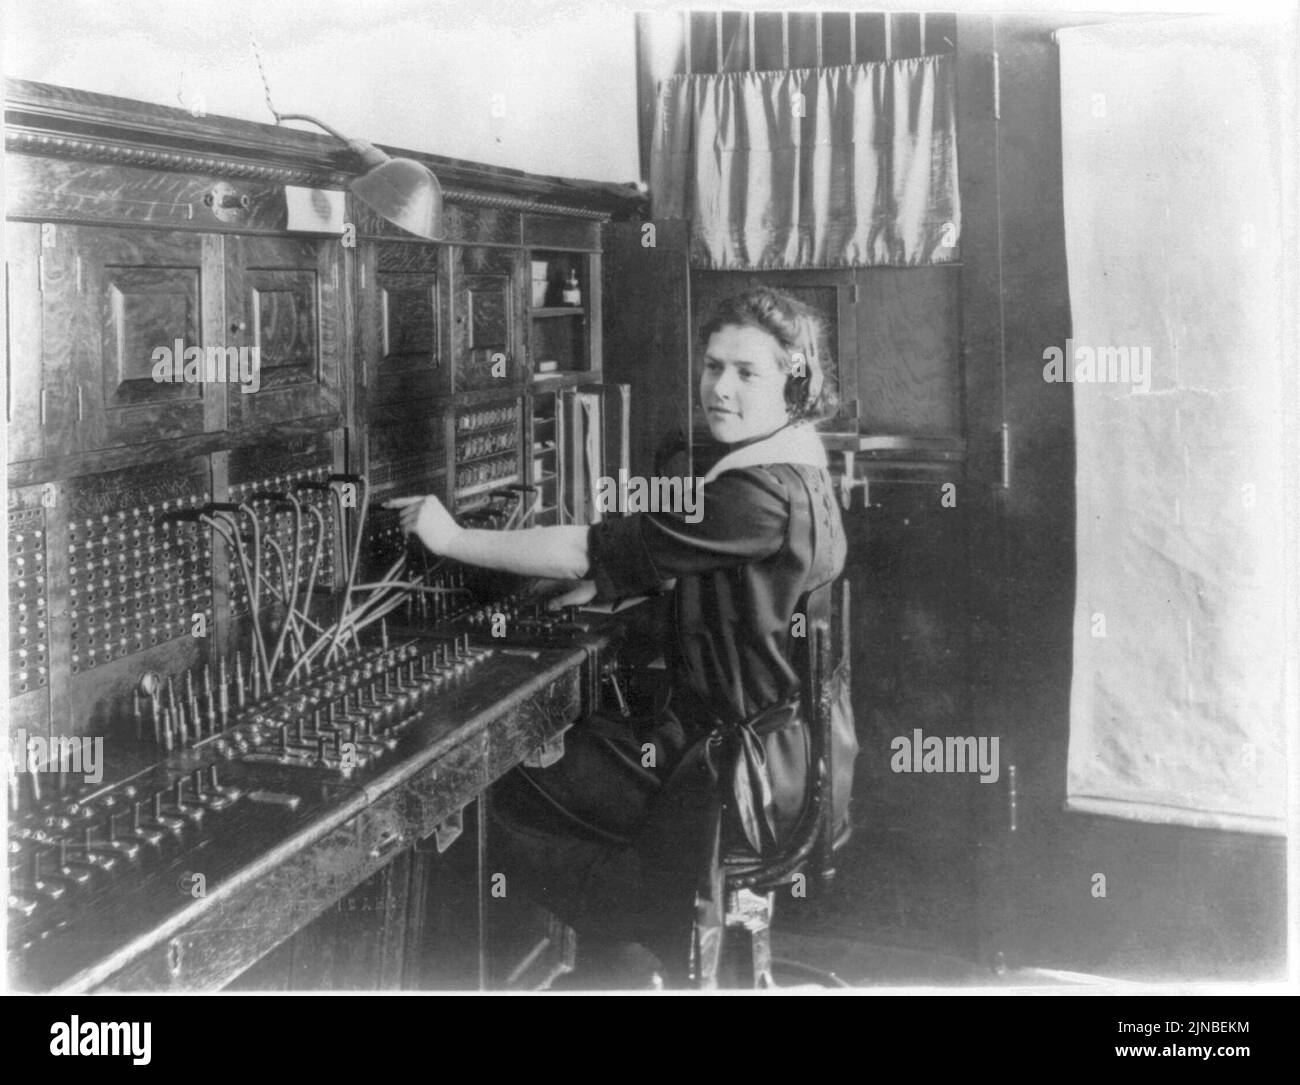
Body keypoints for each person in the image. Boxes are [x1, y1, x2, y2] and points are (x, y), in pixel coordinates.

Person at [389, 287, 852, 987]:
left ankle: (647, 944)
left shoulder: (752, 492)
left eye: (745, 372)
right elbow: (722, 587)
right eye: (711, 366)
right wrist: (616, 584)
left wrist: (451, 537)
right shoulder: (799, 471)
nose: (719, 389)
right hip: (788, 760)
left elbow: (586, 547)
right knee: (558, 753)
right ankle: (653, 940)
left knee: (486, 787)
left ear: (794, 378)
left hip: (734, 779)